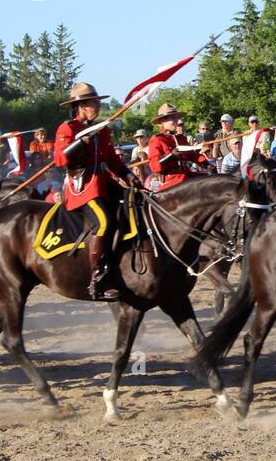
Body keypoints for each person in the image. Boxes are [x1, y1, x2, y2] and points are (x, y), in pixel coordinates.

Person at [54, 82, 136, 300]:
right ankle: (98, 279)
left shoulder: (103, 130)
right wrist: (80, 143)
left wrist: (128, 175)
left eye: (97, 102)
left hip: (105, 184)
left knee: (137, 207)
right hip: (83, 187)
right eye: (93, 103)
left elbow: (112, 160)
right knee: (103, 222)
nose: (98, 106)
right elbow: (60, 159)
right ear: (80, 106)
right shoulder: (68, 129)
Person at [147, 103, 210, 191]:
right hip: (172, 184)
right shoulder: (157, 140)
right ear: (163, 121)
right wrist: (171, 156)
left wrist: (208, 165)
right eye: (172, 117)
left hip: (187, 177)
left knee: (214, 181)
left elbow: (193, 155)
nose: (176, 120)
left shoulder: (181, 138)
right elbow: (155, 166)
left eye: (176, 117)